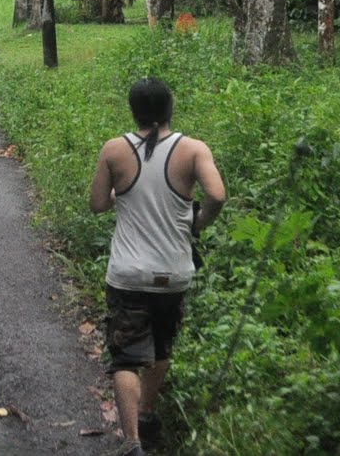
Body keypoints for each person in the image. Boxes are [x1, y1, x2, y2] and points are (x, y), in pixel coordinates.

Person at [88, 77, 225, 456]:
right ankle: (147, 413)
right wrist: (197, 222)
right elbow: (216, 194)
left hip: (129, 274)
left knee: (126, 358)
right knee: (161, 348)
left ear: (133, 110)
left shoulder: (115, 150)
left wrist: (121, 193)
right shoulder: (193, 150)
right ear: (170, 109)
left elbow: (98, 204)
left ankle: (132, 441)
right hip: (174, 273)